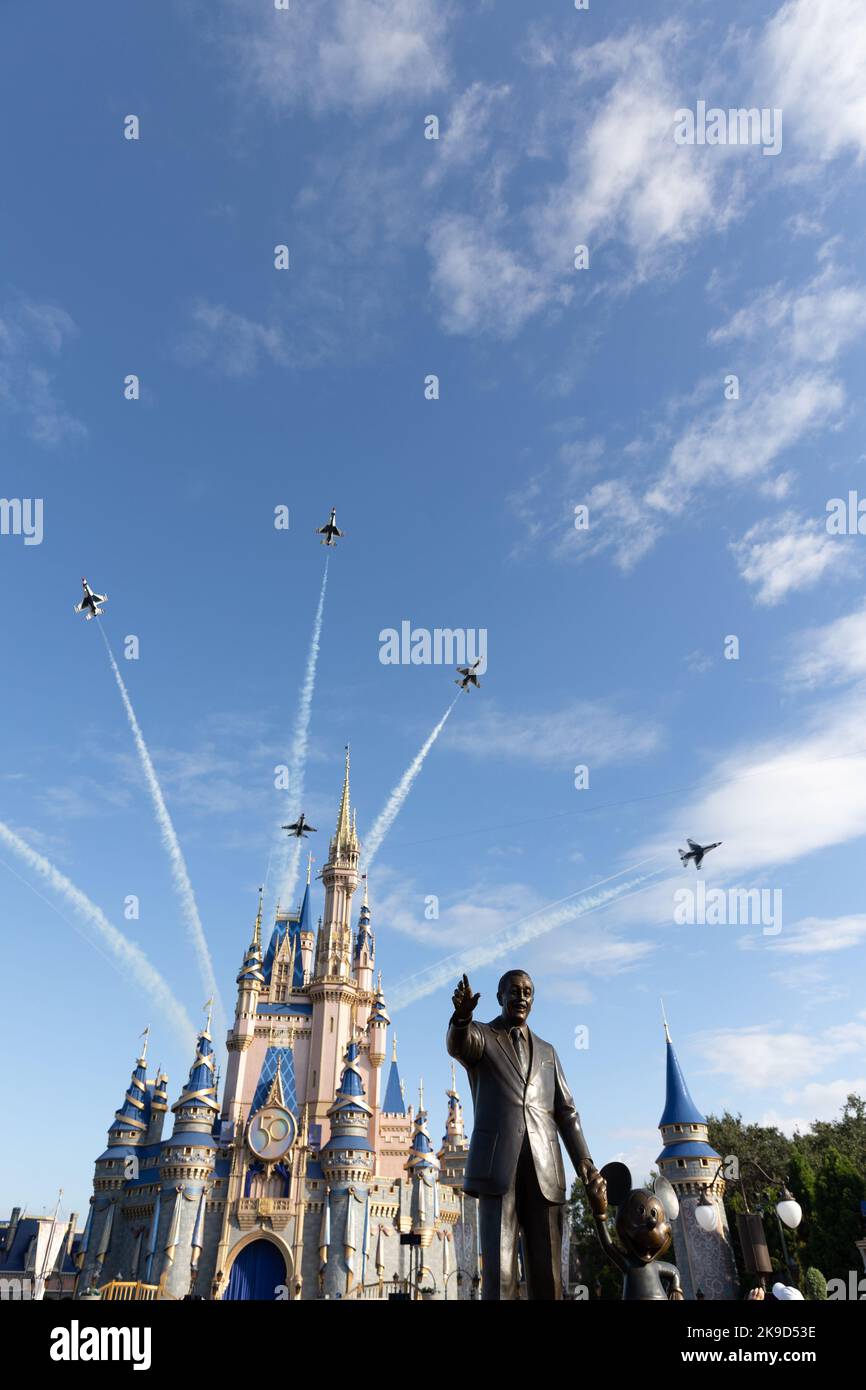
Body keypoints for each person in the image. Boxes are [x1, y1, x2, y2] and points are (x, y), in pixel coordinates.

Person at [447, 969, 607, 1299]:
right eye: (514, 991)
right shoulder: (482, 1036)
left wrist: (586, 1166)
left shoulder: (548, 1052)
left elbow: (567, 1113)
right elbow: (459, 1045)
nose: (522, 997)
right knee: (500, 1273)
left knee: (548, 1273)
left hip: (545, 1169)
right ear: (499, 997)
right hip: (498, 1170)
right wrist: (461, 1018)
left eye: (528, 992)